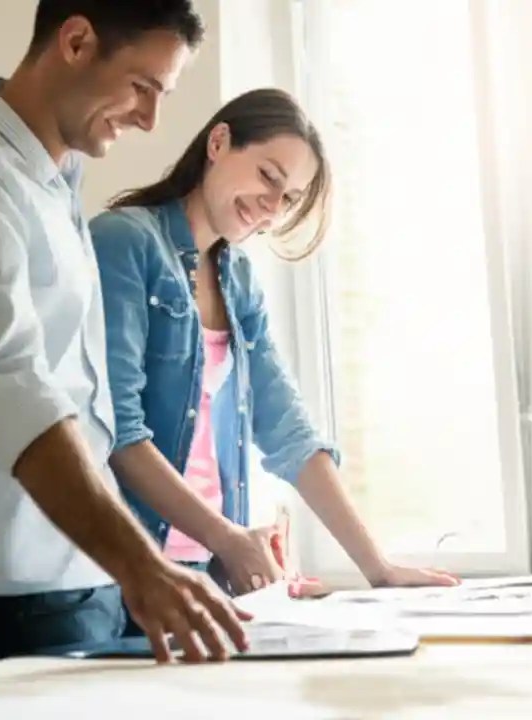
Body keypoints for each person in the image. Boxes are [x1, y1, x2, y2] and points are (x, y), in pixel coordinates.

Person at [0, 0, 247, 672]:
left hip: (80, 578)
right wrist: (145, 564)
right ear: (77, 40)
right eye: (144, 88)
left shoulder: (51, 184)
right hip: (6, 595)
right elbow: (11, 387)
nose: (150, 119)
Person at [89, 88, 459, 611]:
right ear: (219, 142)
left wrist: (378, 568)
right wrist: (226, 537)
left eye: (287, 199)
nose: (271, 206)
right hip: (128, 571)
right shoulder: (126, 242)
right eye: (268, 177)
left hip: (212, 575)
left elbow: (289, 432)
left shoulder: (237, 278)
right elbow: (117, 432)